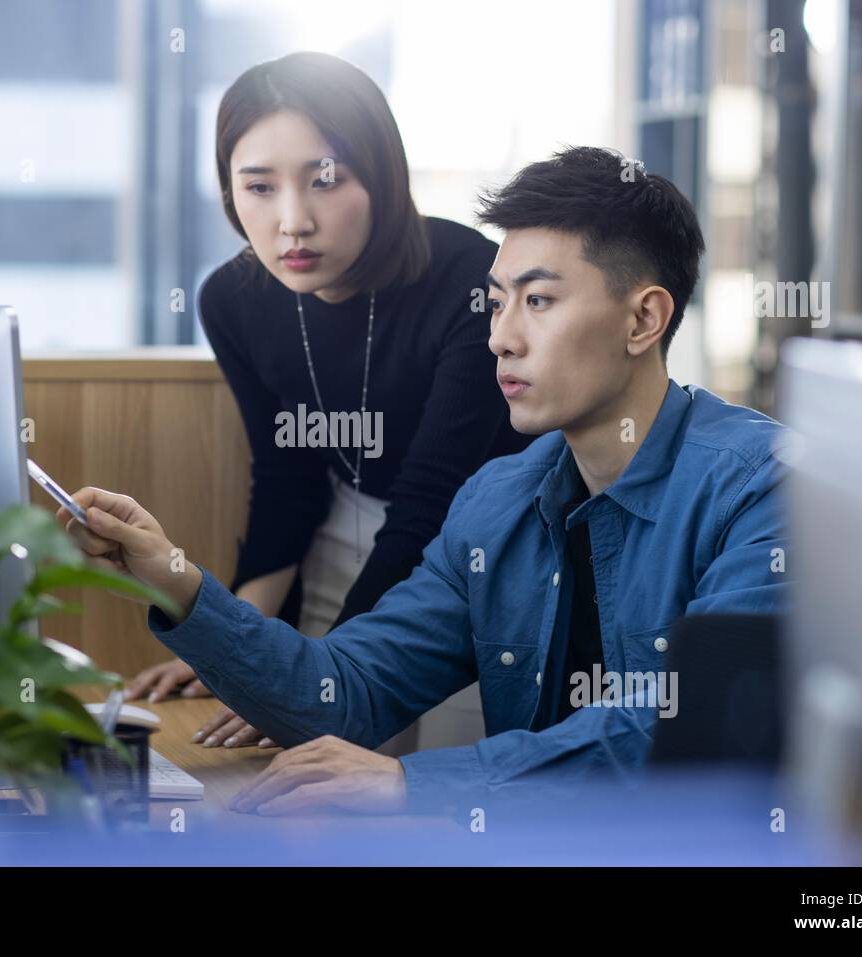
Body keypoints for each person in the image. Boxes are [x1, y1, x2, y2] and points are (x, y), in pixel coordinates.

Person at [62, 147, 789, 815]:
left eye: (538, 300)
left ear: (644, 319)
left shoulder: (760, 488)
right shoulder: (498, 501)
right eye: (497, 301)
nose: (501, 335)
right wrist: (175, 577)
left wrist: (413, 783)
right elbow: (342, 691)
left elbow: (691, 732)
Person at [125, 51, 528, 755]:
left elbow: (431, 501)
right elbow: (287, 482)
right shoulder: (234, 299)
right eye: (257, 186)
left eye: (324, 181)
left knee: (438, 788)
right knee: (304, 781)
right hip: (341, 536)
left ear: (381, 175)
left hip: (482, 543)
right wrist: (228, 648)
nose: (291, 222)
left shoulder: (470, 277)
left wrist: (312, 680)